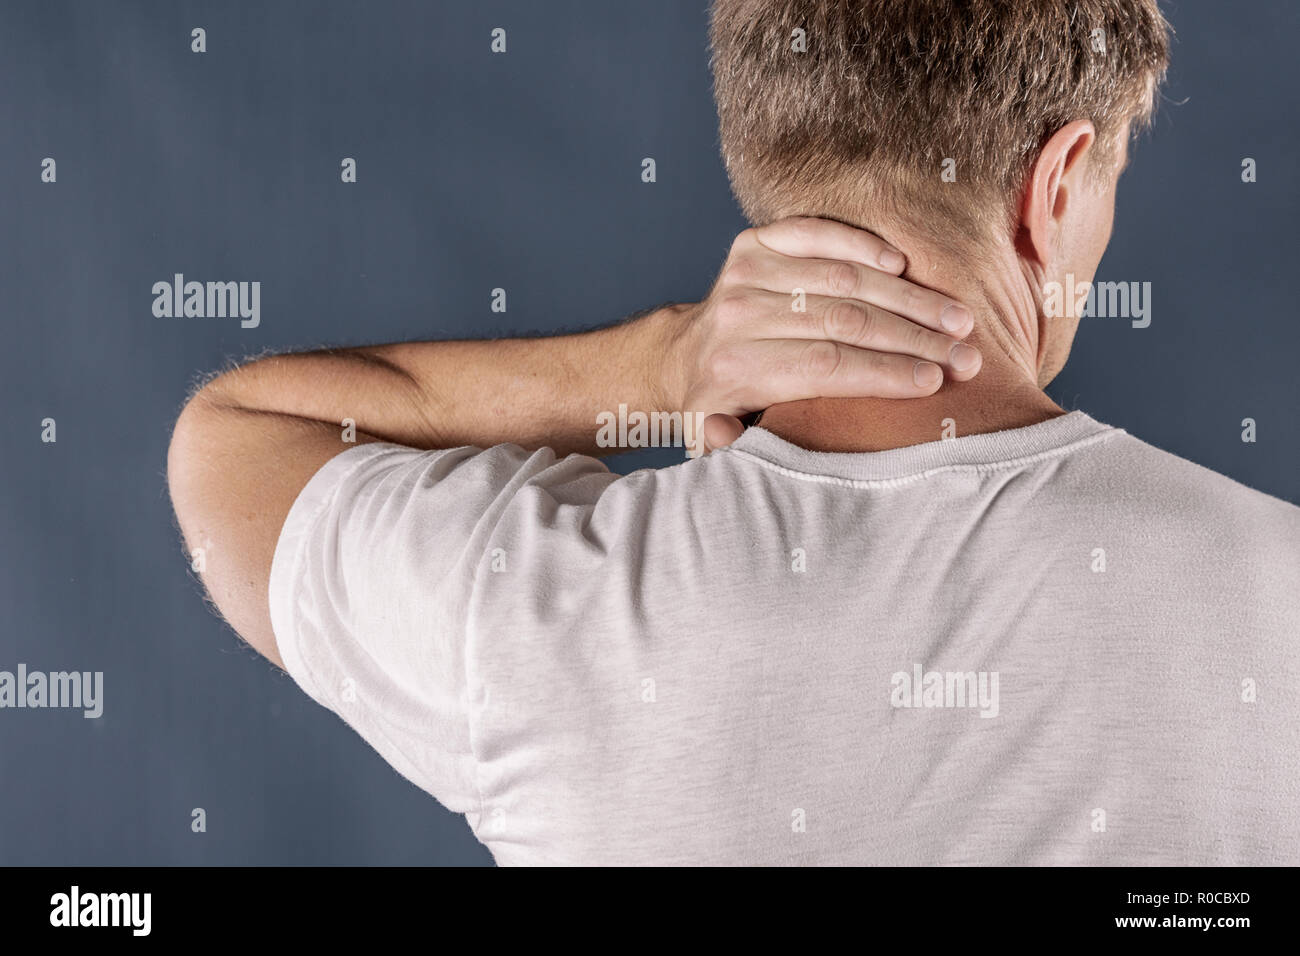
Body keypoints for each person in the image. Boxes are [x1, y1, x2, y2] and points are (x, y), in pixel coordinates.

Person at [167, 0, 1299, 865]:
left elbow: (237, 435)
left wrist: (661, 363)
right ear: (1051, 188)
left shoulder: (543, 606)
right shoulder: (1276, 596)